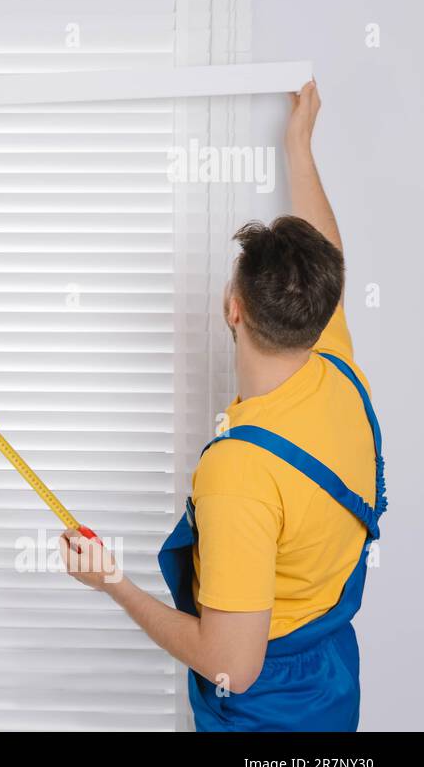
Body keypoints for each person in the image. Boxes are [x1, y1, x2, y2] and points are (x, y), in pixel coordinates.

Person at [59, 80, 385, 730]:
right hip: (332, 684)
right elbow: (329, 254)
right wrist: (299, 145)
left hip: (269, 719)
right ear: (319, 306)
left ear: (231, 308)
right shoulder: (339, 371)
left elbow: (231, 665)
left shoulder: (240, 472)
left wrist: (114, 583)